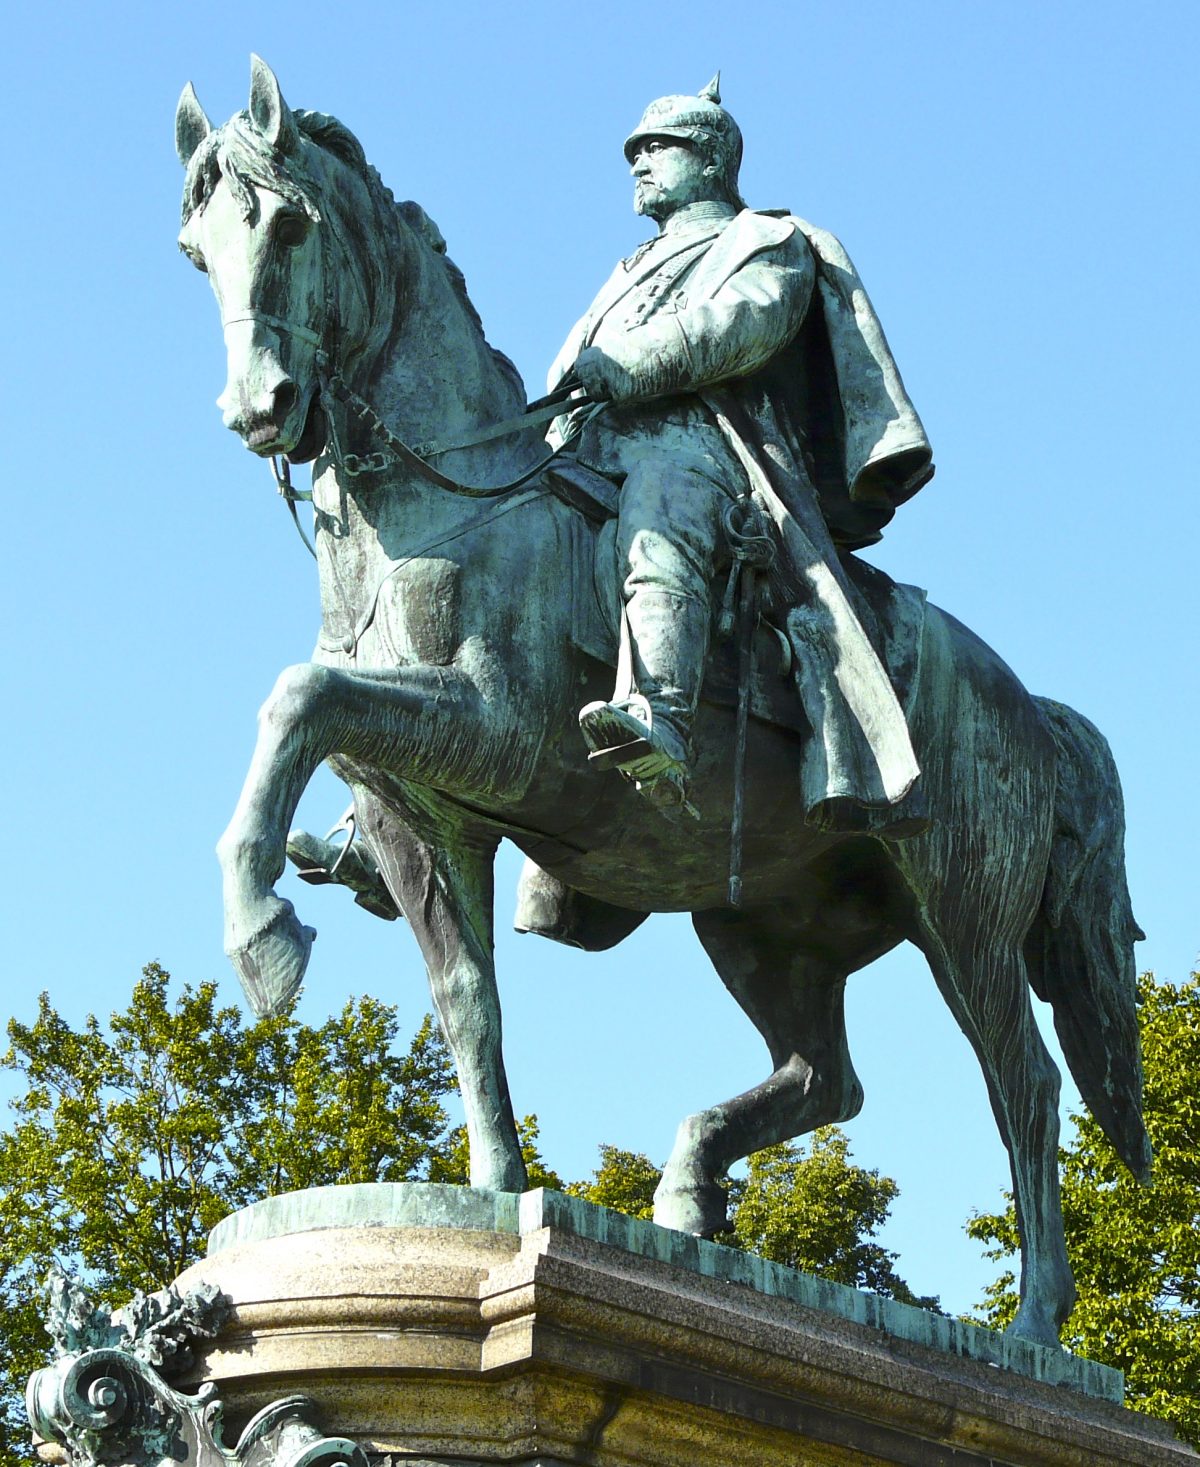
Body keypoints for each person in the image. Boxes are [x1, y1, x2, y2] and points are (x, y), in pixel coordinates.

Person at [546, 77, 934, 830]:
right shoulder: (627, 269)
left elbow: (744, 322)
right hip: (597, 446)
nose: (639, 162)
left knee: (665, 502)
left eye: (659, 147)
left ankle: (661, 715)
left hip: (712, 447)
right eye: (636, 150)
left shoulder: (770, 240)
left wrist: (631, 361)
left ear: (714, 159)